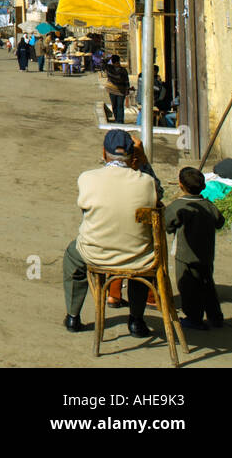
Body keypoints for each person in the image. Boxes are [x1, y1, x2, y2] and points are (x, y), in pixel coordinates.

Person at [62, 130, 162, 335]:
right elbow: (158, 195)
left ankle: (73, 316)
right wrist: (143, 161)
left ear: (104, 152)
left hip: (96, 252)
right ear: (133, 154)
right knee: (140, 266)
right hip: (137, 255)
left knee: (72, 257)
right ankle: (136, 320)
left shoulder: (88, 178)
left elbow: (85, 211)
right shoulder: (146, 182)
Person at [165, 168, 226, 330]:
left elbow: (167, 224)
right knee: (207, 285)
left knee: (187, 287)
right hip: (206, 255)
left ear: (180, 185)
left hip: (184, 255)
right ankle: (215, 317)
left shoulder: (178, 205)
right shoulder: (208, 205)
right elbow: (220, 222)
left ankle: (194, 318)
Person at [105, 55, 129, 124]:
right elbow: (102, 63)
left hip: (120, 91)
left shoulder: (122, 70)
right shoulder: (110, 68)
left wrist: (127, 90)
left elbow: (126, 81)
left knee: (119, 106)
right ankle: (117, 119)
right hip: (112, 90)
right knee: (115, 105)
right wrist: (109, 58)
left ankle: (120, 120)